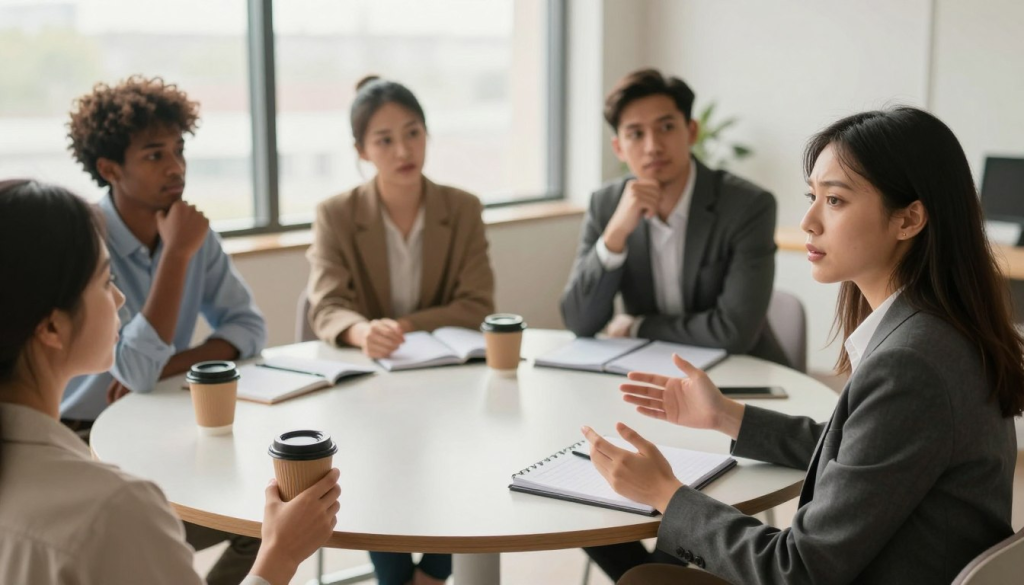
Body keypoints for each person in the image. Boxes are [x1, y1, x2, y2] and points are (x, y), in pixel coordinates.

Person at [582, 106, 1024, 584]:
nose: (809, 220)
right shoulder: (941, 329)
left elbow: (799, 571)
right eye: (813, 196)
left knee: (646, 580)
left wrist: (666, 493)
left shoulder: (910, 364)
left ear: (909, 219)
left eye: (834, 201)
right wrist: (725, 415)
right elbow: (864, 455)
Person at [0, 179, 342, 585]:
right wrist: (280, 555)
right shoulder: (115, 508)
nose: (120, 299)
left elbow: (248, 326)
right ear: (53, 327)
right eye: (106, 280)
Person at [62, 76, 268, 584]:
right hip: (86, 440)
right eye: (155, 155)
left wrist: (171, 365)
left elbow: (248, 327)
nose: (176, 167)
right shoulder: (84, 241)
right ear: (110, 169)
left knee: (263, 515)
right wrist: (176, 255)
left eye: (179, 150)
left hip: (163, 424)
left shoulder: (193, 230)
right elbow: (133, 366)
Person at [306, 75, 495, 584]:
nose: (403, 150)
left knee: (458, 458)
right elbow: (326, 307)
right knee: (373, 461)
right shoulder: (337, 214)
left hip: (450, 388)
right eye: (384, 139)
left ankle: (431, 572)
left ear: (428, 134)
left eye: (412, 133)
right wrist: (361, 331)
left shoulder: (462, 208)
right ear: (361, 150)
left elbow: (477, 304)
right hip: (370, 393)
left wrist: (406, 325)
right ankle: (400, 577)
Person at [560, 68, 787, 368]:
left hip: (744, 375)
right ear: (619, 148)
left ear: (691, 131)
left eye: (666, 127)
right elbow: (579, 320)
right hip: (647, 372)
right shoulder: (606, 205)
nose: (652, 146)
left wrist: (638, 326)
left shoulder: (747, 206)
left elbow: (734, 333)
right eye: (636, 134)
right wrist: (615, 235)